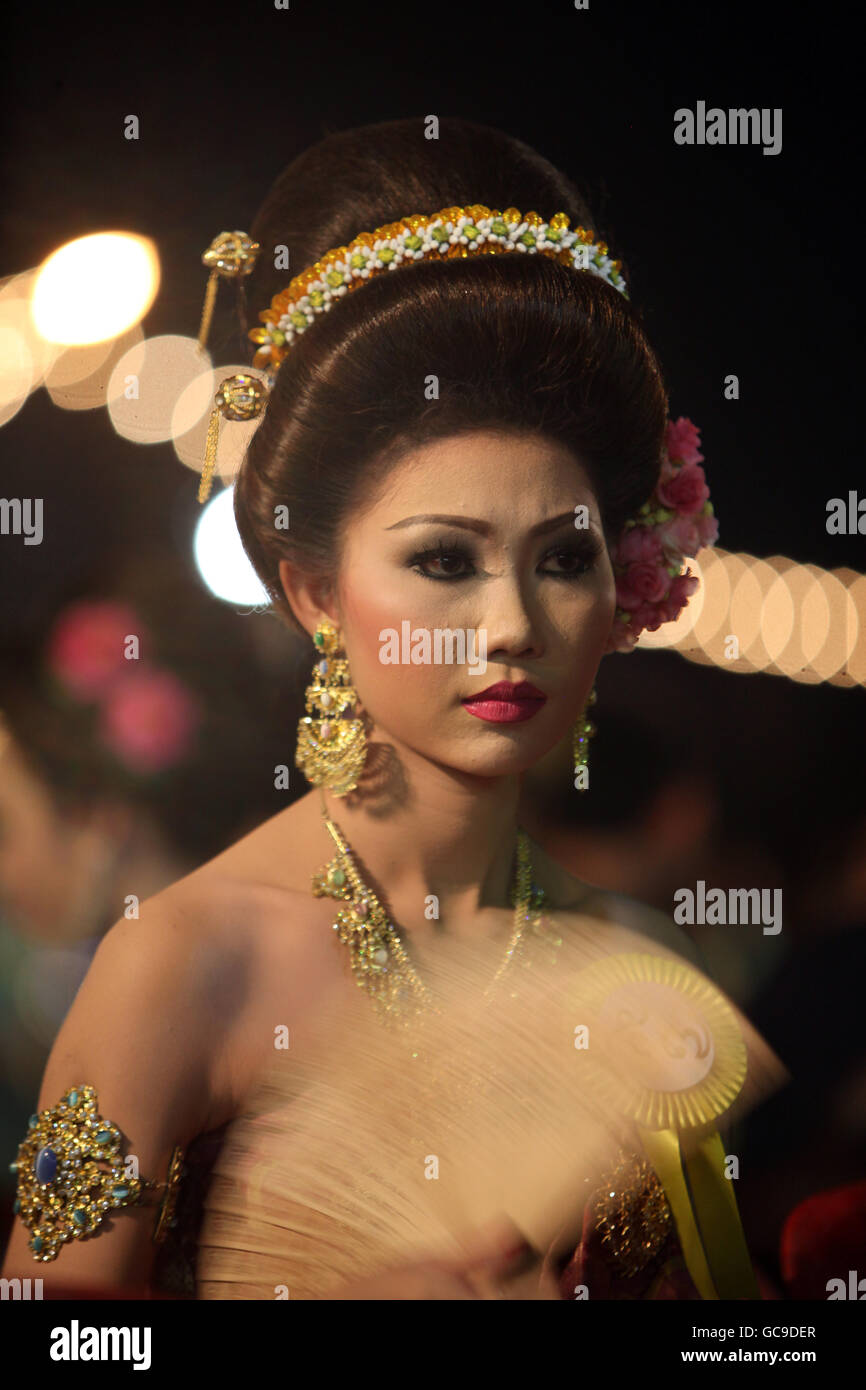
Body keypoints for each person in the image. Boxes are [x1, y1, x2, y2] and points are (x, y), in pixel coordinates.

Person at [2, 117, 769, 1301]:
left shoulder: (619, 964)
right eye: (445, 563)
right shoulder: (185, 961)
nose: (512, 622)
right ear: (315, 591)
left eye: (561, 560)